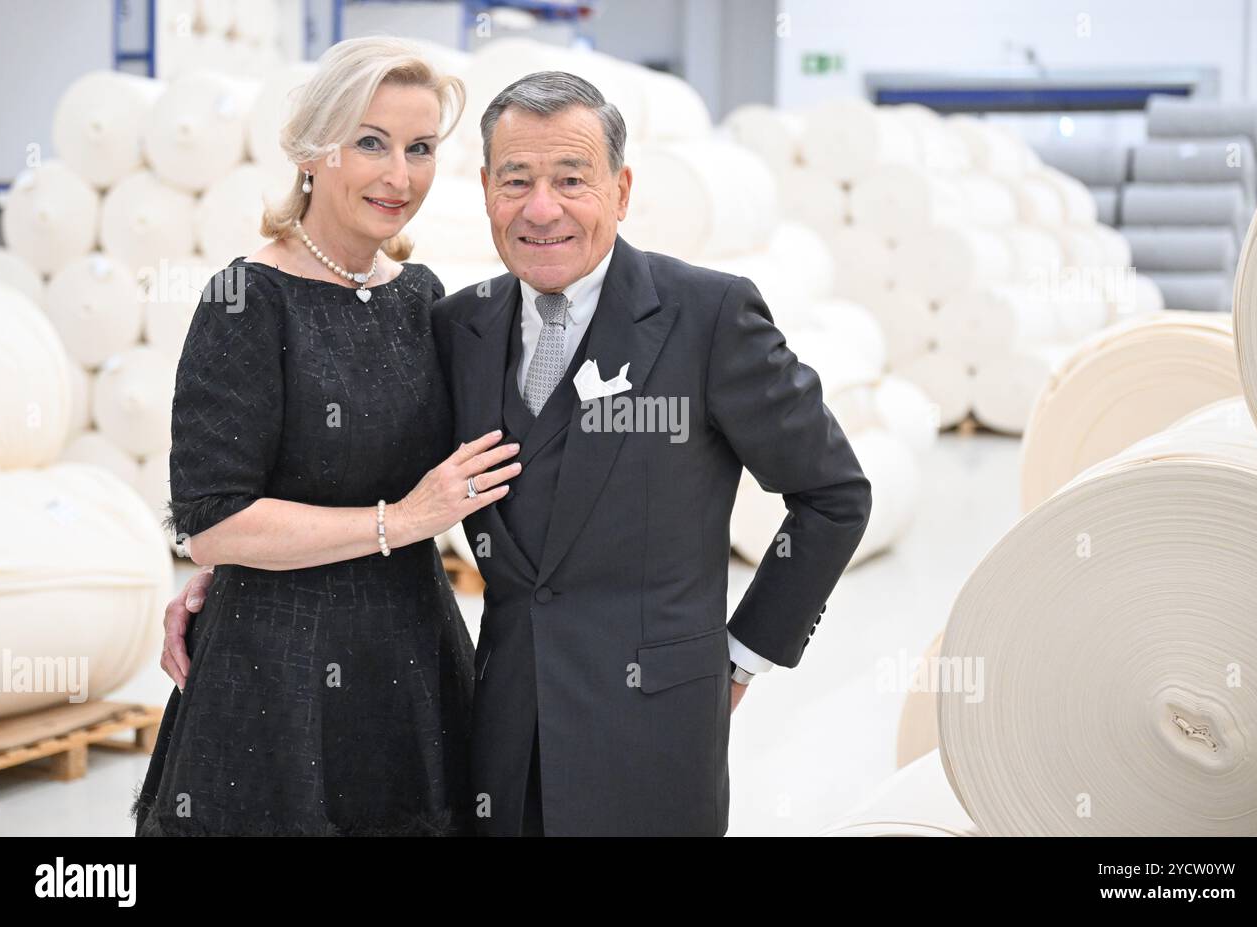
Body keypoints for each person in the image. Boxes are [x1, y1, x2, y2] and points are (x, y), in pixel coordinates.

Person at [169, 70, 872, 837]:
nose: (543, 209)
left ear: (622, 188)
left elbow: (833, 493)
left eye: (572, 178)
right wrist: (229, 565)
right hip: (495, 735)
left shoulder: (710, 316)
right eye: (517, 180)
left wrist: (740, 656)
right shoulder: (458, 323)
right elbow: (366, 456)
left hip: (652, 735)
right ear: (485, 192)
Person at [132, 36, 519, 836]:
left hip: (410, 664)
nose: (399, 175)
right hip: (277, 672)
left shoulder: (421, 298)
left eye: (419, 149)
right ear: (314, 150)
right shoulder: (248, 300)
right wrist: (400, 522)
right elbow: (213, 524)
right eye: (370, 142)